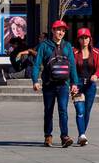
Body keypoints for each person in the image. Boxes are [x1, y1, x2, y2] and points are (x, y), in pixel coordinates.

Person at [31, 19, 81, 148]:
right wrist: (35, 81)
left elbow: (72, 66)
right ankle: (48, 136)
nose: (61, 32)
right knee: (48, 110)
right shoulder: (44, 45)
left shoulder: (67, 46)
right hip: (48, 84)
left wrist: (74, 83)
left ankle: (64, 136)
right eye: (58, 30)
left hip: (64, 84)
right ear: (53, 31)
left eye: (63, 30)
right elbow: (36, 65)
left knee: (63, 110)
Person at [71, 27, 99, 147]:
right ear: (78, 40)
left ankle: (82, 134)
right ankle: (82, 135)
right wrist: (72, 84)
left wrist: (96, 75)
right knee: (80, 110)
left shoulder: (96, 52)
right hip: (77, 84)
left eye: (86, 38)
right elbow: (71, 69)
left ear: (90, 39)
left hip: (90, 85)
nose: (84, 40)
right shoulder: (73, 52)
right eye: (82, 38)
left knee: (87, 111)